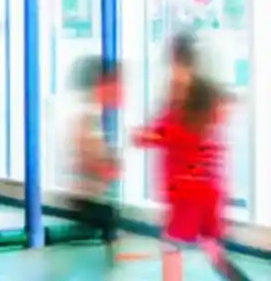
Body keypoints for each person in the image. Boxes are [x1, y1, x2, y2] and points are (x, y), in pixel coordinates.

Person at [135, 32, 250, 281]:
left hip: (189, 187)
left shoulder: (179, 92)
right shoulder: (206, 91)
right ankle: (228, 270)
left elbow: (167, 132)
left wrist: (146, 136)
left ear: (176, 58)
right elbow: (215, 126)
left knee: (172, 243)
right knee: (209, 241)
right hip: (209, 184)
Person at [67, 56, 123, 266]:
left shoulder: (91, 113)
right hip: (92, 198)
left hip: (95, 195)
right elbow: (86, 151)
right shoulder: (87, 114)